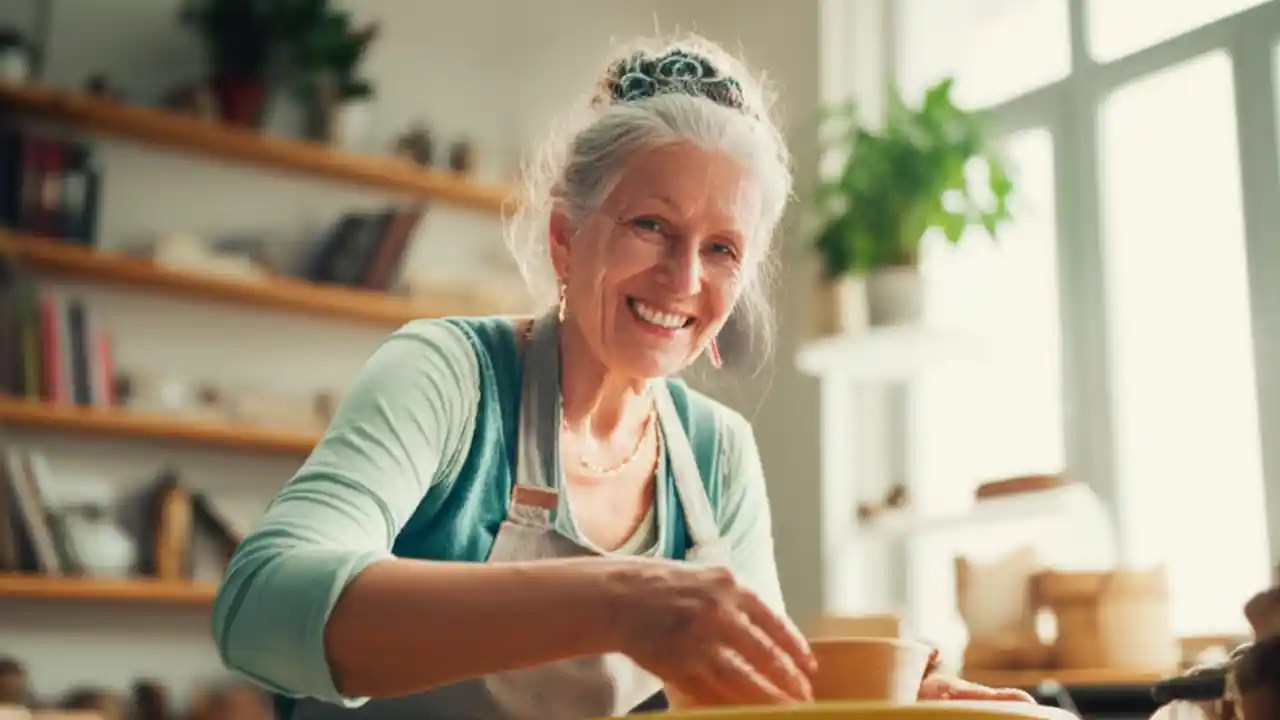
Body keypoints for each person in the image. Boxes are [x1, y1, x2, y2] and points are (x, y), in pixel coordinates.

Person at [211, 34, 1033, 719]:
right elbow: (258, 606)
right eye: (650, 225)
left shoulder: (715, 456)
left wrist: (891, 704)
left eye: (722, 249)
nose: (683, 279)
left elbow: (759, 703)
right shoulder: (449, 376)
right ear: (566, 240)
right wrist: (615, 603)